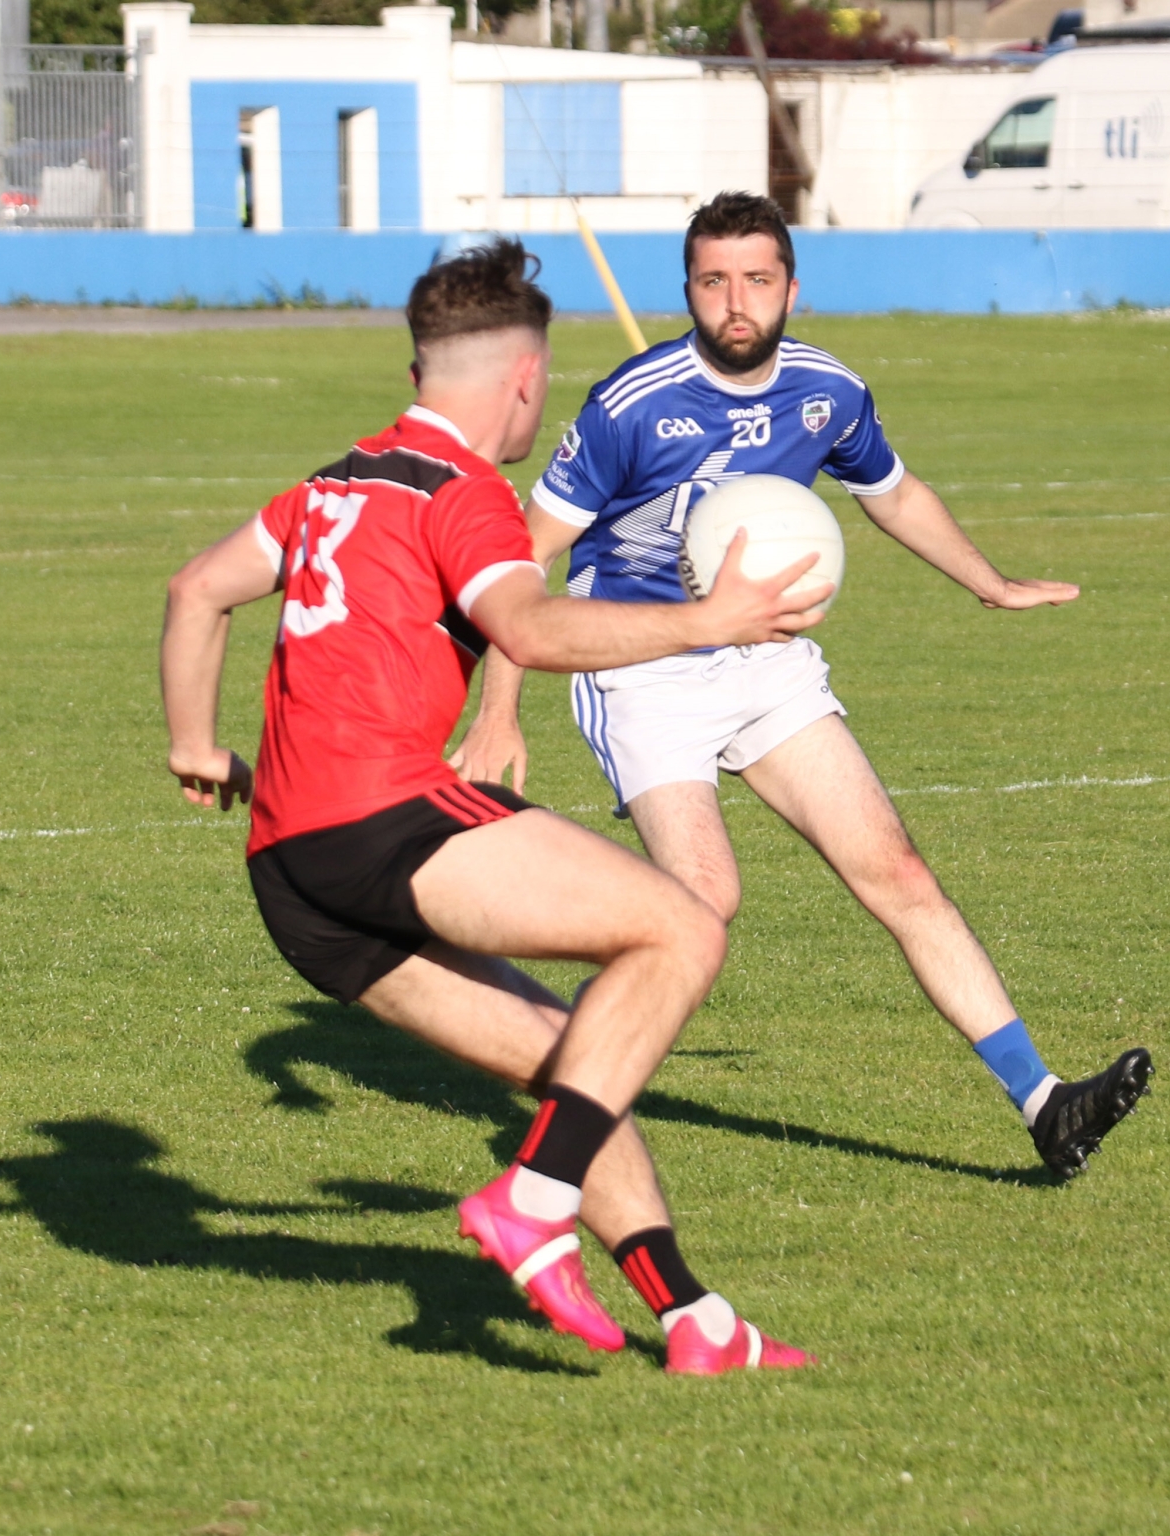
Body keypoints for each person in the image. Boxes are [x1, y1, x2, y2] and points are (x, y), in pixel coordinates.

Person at [159, 239, 823, 1375]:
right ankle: (529, 1203)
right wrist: (705, 622)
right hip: (383, 823)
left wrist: (194, 746)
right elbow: (530, 629)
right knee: (680, 926)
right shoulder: (468, 495)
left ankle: (693, 1321)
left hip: (290, 873)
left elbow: (196, 591)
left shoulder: (331, 483)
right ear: (523, 380)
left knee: (582, 1056)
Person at [454, 193, 1152, 1178]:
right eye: (713, 282)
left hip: (766, 658)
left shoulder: (828, 392)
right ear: (688, 290)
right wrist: (498, 712)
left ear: (791, 288)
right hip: (640, 663)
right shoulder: (629, 404)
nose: (736, 303)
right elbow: (519, 563)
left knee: (898, 873)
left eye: (757, 280)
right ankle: (556, 1077)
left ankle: (1046, 1105)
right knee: (702, 900)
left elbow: (893, 491)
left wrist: (987, 581)